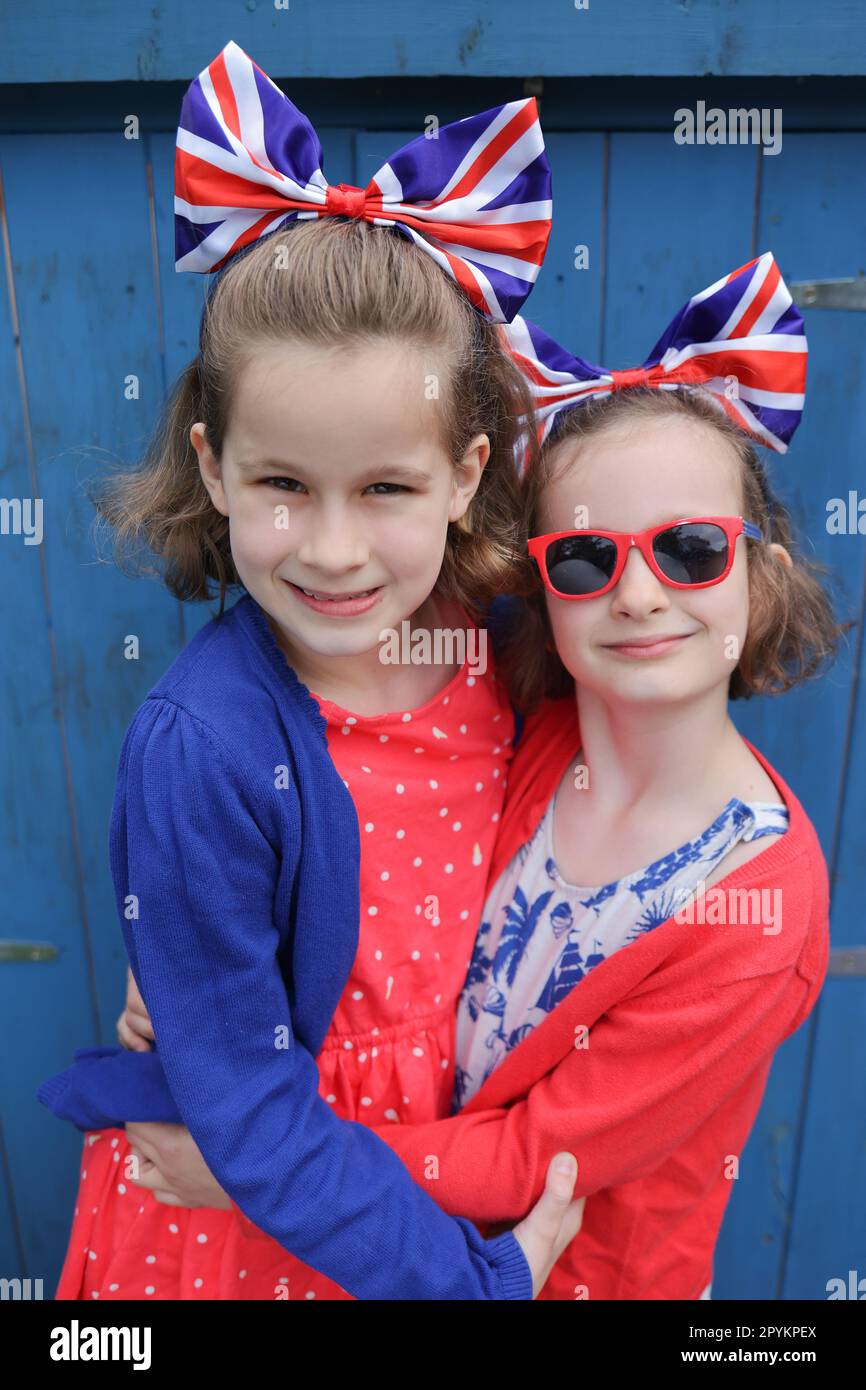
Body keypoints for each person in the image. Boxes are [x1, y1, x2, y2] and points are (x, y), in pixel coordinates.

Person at [112, 257, 840, 1300]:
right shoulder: (522, 702)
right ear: (539, 592)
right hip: (340, 1203)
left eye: (688, 551)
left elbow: (533, 1158)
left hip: (564, 1263)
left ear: (759, 578)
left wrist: (244, 1173)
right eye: (585, 559)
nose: (634, 596)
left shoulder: (754, 913)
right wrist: (184, 958)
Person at [39, 42, 584, 1301]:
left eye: (386, 487)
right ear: (214, 465)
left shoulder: (508, 644)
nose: (332, 550)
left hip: (422, 1161)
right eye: (282, 484)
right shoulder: (206, 744)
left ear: (465, 474)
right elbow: (253, 1106)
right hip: (244, 1187)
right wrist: (474, 1285)